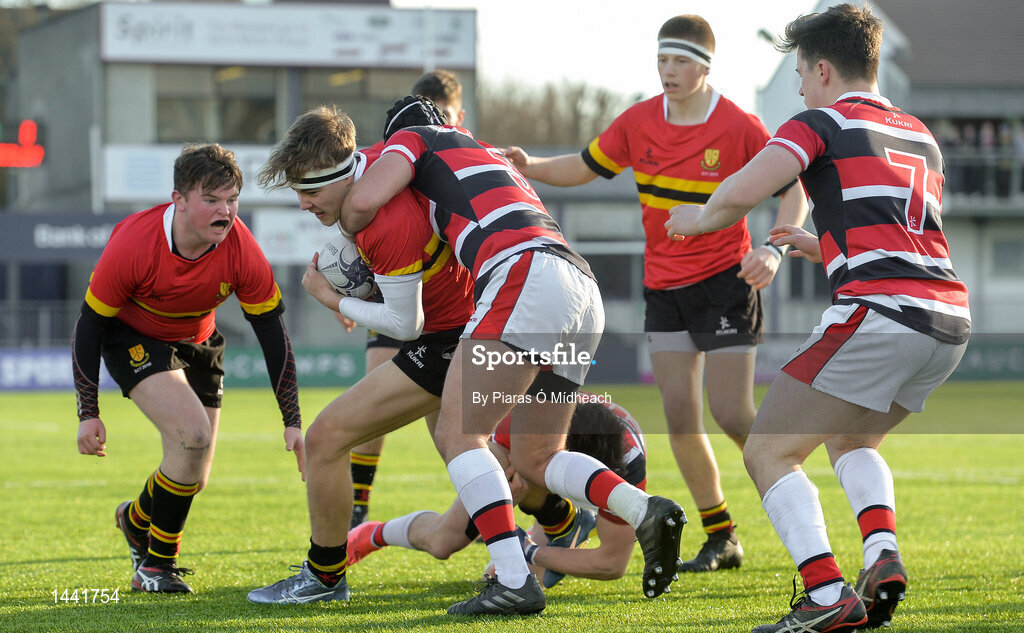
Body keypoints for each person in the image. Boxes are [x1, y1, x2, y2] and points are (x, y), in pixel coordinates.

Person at [664, 5, 970, 632]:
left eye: (800, 72)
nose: (800, 85)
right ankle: (881, 556)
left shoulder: (819, 121)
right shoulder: (919, 134)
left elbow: (747, 188)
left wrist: (697, 220)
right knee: (851, 440)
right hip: (945, 319)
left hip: (883, 311)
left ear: (823, 69)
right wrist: (820, 245)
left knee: (768, 453)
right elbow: (901, 230)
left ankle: (826, 595)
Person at [341, 96, 687, 616]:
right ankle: (644, 509)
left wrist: (341, 244)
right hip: (577, 285)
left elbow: (364, 199)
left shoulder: (414, 141)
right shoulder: (482, 151)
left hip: (524, 274)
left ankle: (513, 578)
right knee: (535, 458)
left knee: (458, 432)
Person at [503, 14, 808, 573]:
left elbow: (794, 191)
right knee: (680, 417)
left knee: (732, 412)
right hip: (664, 287)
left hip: (724, 284)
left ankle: (792, 492)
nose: (668, 70)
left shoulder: (739, 125)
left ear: (706, 66)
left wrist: (773, 248)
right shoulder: (638, 120)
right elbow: (587, 165)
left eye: (681, 61)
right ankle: (723, 536)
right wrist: (533, 168)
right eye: (662, 59)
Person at [246, 105, 476, 604]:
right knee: (480, 453)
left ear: (340, 176)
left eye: (310, 192)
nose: (304, 205)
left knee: (326, 439)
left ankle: (324, 577)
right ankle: (552, 524)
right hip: (464, 327)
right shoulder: (371, 165)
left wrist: (332, 297)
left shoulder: (382, 221)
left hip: (448, 338)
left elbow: (404, 324)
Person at [72, 143, 305, 594]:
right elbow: (89, 326)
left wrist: (292, 422)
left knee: (193, 475)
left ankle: (134, 519)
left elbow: (273, 336)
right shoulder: (134, 243)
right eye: (212, 200)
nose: (226, 211)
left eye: (233, 199)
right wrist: (88, 412)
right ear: (178, 199)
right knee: (192, 437)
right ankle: (156, 568)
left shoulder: (242, 250)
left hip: (200, 342)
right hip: (133, 338)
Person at [346, 396, 645, 591]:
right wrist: (499, 498)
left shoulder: (628, 462)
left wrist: (528, 550)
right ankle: (370, 534)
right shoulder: (519, 429)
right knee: (443, 541)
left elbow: (611, 564)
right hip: (535, 456)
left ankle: (565, 524)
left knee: (520, 577)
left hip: (572, 456)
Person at [349, 69, 468, 530]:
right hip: (399, 293)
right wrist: (353, 293)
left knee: (449, 428)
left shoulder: (459, 154)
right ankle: (359, 502)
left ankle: (496, 507)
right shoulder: (397, 155)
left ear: (459, 116)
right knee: (371, 400)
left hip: (451, 308)